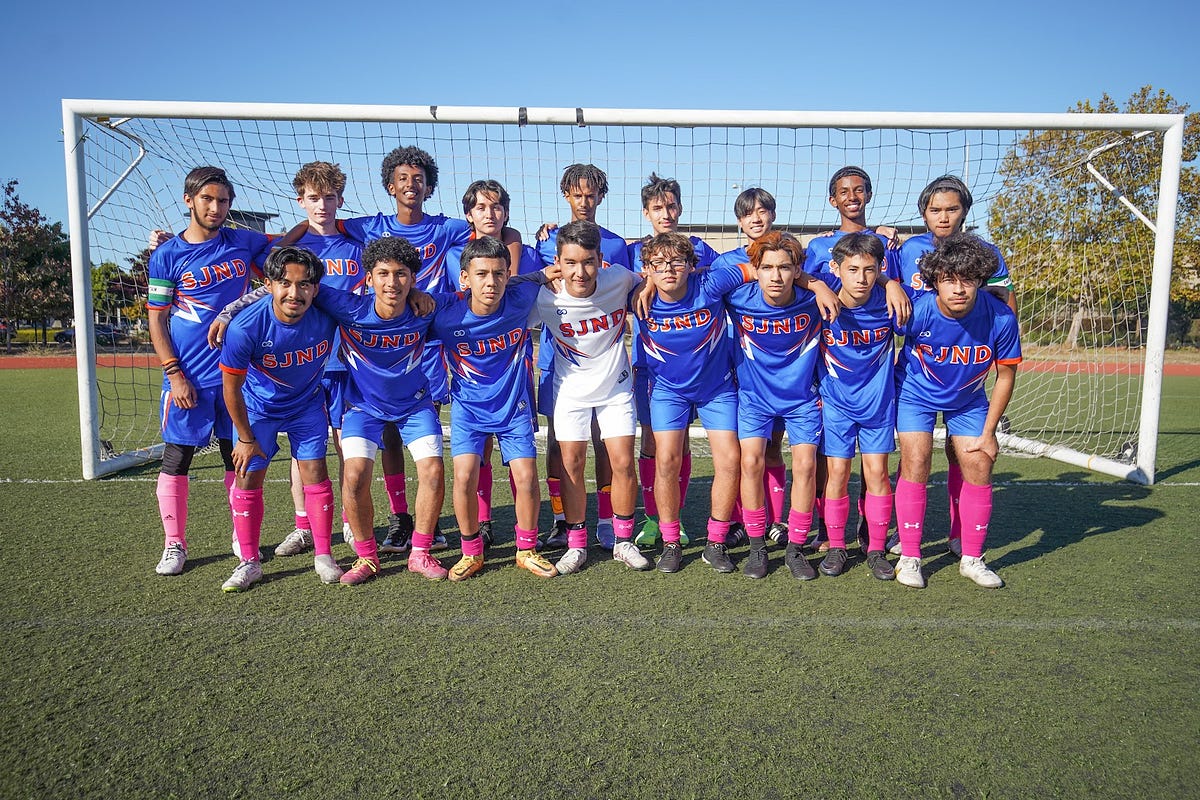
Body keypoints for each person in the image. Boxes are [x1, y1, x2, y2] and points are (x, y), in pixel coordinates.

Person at [148, 166, 272, 577]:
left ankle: (241, 535)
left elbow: (288, 251)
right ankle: (174, 544)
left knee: (235, 458)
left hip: (236, 377)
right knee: (177, 457)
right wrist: (173, 373)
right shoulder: (167, 255)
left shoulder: (243, 242)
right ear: (189, 200)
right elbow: (157, 320)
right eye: (208, 199)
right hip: (190, 377)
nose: (216, 208)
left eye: (223, 201)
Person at [310, 236, 450, 585]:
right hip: (363, 407)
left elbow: (478, 298)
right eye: (383, 273)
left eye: (401, 274)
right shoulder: (348, 307)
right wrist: (228, 313)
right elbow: (294, 283)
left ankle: (419, 552)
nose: (392, 282)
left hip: (415, 405)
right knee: (354, 475)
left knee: (432, 471)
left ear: (413, 278)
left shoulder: (425, 310)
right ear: (368, 278)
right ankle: (367, 557)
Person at [894, 174, 1017, 558]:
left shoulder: (987, 253)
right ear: (924, 213)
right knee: (915, 457)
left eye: (952, 209)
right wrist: (888, 282)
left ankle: (960, 536)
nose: (944, 217)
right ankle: (906, 540)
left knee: (964, 456)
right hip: (922, 368)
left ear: (964, 211)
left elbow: (1003, 303)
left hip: (966, 372)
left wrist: (995, 334)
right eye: (935, 210)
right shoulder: (906, 249)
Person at [430, 236, 559, 580]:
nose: (491, 282)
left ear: (508, 275)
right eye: (482, 273)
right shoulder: (443, 313)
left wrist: (554, 269)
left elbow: (539, 277)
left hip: (513, 407)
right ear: (464, 278)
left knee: (527, 478)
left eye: (499, 274)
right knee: (464, 477)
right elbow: (404, 317)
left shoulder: (519, 298)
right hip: (468, 410)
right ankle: (471, 551)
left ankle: (527, 549)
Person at [218, 246, 341, 591]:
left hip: (307, 407)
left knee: (316, 473)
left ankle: (324, 555)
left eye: (304, 285)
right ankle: (249, 562)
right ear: (269, 284)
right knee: (247, 479)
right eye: (285, 283)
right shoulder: (245, 328)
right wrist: (244, 437)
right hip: (259, 411)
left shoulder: (327, 313)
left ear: (315, 289)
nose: (294, 293)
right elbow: (231, 388)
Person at [531, 220, 649, 574]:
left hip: (616, 389)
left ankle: (623, 539)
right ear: (557, 262)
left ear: (601, 259)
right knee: (572, 466)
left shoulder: (620, 279)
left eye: (587, 262)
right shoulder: (543, 296)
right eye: (570, 263)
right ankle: (576, 543)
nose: (580, 272)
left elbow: (648, 280)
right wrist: (538, 276)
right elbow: (503, 294)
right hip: (570, 393)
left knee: (623, 462)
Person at [635, 232, 756, 573]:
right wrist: (642, 284)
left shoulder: (711, 283)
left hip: (716, 388)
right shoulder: (634, 294)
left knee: (731, 459)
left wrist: (818, 286)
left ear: (691, 265)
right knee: (667, 461)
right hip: (668, 391)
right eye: (658, 264)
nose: (668, 269)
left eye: (677, 262)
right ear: (647, 269)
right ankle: (671, 541)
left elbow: (758, 269)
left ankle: (716, 542)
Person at [724, 232, 833, 580]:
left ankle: (796, 548)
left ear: (797, 269)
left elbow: (858, 277)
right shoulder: (739, 298)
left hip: (801, 400)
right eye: (767, 267)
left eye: (785, 268)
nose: (776, 276)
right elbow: (704, 280)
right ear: (756, 269)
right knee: (751, 462)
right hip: (755, 399)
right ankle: (758, 547)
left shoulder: (812, 299)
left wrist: (816, 285)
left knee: (805, 467)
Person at [534, 164, 631, 551]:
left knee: (608, 446)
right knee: (560, 446)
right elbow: (527, 287)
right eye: (577, 194)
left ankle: (607, 520)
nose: (585, 202)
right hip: (558, 357)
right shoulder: (543, 241)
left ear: (601, 198)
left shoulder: (617, 245)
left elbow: (633, 291)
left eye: (591, 195)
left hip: (605, 361)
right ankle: (562, 520)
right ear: (566, 196)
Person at [273, 162, 366, 560]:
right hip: (303, 363)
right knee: (303, 449)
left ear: (340, 200)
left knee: (348, 447)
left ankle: (349, 518)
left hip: (348, 361)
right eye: (314, 198)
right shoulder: (292, 250)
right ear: (301, 201)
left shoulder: (357, 244)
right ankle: (303, 526)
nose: (322, 205)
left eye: (329, 197)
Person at [627, 174, 720, 549]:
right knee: (655, 442)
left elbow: (724, 274)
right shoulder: (631, 250)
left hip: (702, 366)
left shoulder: (699, 248)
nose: (665, 213)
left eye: (671, 206)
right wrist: (644, 279)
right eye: (657, 208)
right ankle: (655, 520)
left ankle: (676, 518)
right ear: (646, 212)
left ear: (680, 208)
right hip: (651, 366)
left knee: (679, 445)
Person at [450, 179, 542, 549]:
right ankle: (478, 531)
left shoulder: (524, 260)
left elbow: (542, 275)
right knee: (470, 466)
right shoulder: (452, 253)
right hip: (469, 380)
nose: (490, 213)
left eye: (497, 207)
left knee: (524, 471)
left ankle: (527, 545)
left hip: (512, 380)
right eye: (481, 207)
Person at [817, 232, 908, 581]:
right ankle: (837, 545)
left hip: (878, 407)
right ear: (836, 269)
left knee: (877, 476)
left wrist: (893, 284)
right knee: (837, 475)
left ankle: (875, 549)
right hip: (836, 406)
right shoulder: (821, 304)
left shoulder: (890, 305)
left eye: (870, 270)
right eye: (852, 269)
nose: (861, 278)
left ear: (880, 269)